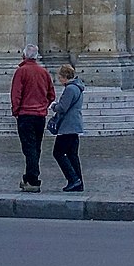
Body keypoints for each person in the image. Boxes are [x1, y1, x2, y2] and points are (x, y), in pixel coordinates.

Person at [9, 48, 54, 192]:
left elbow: (16, 93)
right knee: (36, 147)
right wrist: (43, 107)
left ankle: (33, 180)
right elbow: (51, 95)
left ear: (24, 56)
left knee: (29, 148)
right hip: (40, 116)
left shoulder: (21, 72)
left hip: (26, 114)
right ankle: (29, 177)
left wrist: (16, 111)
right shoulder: (44, 72)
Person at [46, 61, 86, 192]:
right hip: (74, 125)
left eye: (60, 77)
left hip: (67, 126)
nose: (59, 79)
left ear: (65, 76)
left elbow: (63, 108)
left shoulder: (70, 89)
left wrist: (53, 106)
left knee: (58, 152)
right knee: (72, 155)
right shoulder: (77, 88)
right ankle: (78, 181)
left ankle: (73, 179)